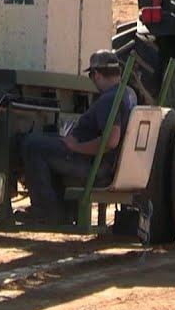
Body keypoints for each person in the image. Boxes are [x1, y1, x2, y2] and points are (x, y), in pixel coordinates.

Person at [18, 49, 137, 225]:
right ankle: (65, 209)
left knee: (32, 144)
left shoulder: (108, 100)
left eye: (91, 76)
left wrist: (76, 147)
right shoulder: (128, 94)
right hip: (107, 164)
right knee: (47, 139)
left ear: (96, 74)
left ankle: (45, 209)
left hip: (95, 167)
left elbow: (111, 141)